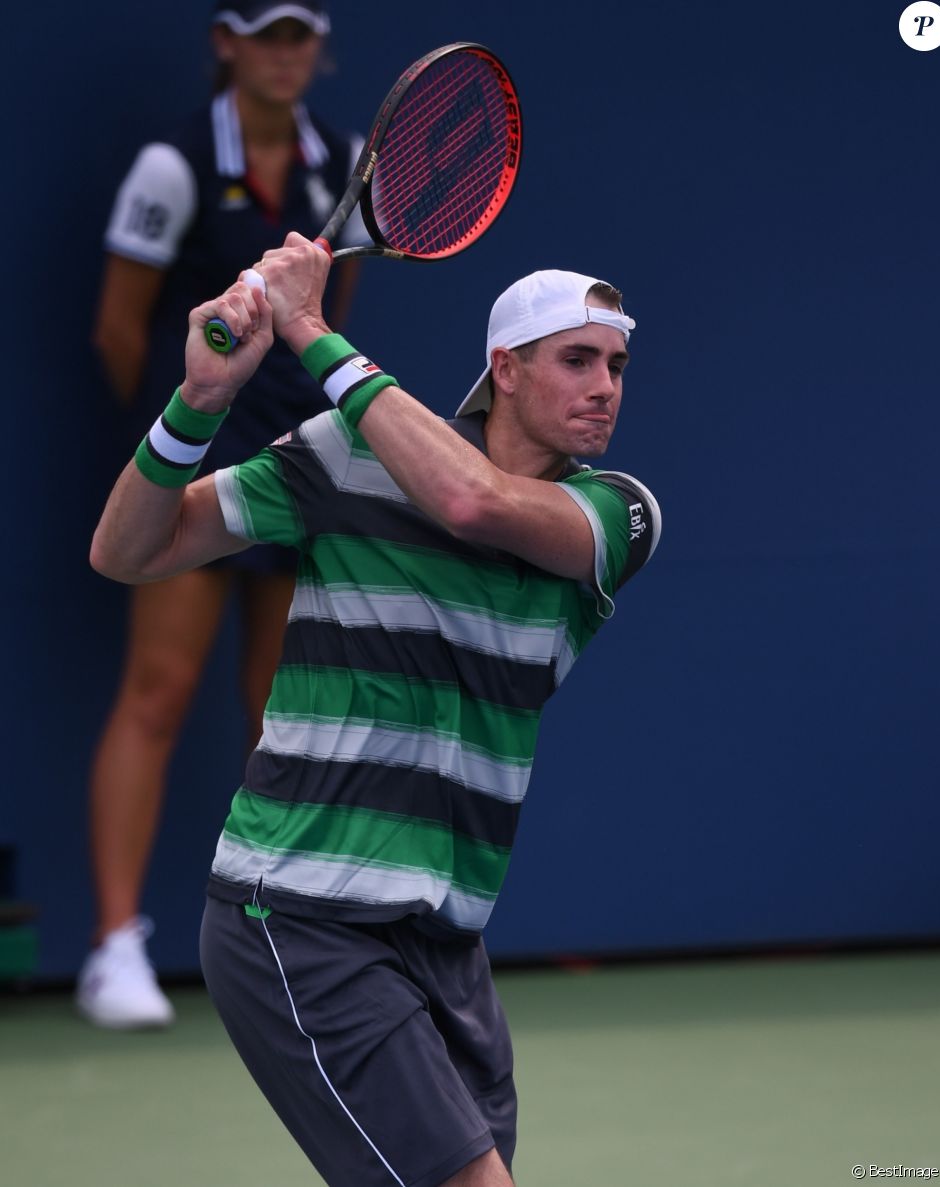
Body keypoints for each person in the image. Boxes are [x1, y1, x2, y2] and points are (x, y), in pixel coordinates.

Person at [90, 233, 661, 1186]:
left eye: (616, 365)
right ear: (505, 370)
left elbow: (471, 500)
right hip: (301, 912)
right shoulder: (340, 456)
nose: (605, 385)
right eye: (577, 359)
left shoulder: (617, 513)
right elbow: (129, 551)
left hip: (444, 941)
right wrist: (198, 402)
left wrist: (309, 330)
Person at [77, 0, 368, 1028]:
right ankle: (115, 947)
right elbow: (121, 328)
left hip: (298, 457)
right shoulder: (172, 167)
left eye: (301, 36)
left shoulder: (345, 164)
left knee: (279, 713)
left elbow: (334, 318)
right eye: (265, 34)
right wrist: (172, 445)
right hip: (193, 449)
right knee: (156, 691)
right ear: (225, 43)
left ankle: (288, 936)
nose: (286, 55)